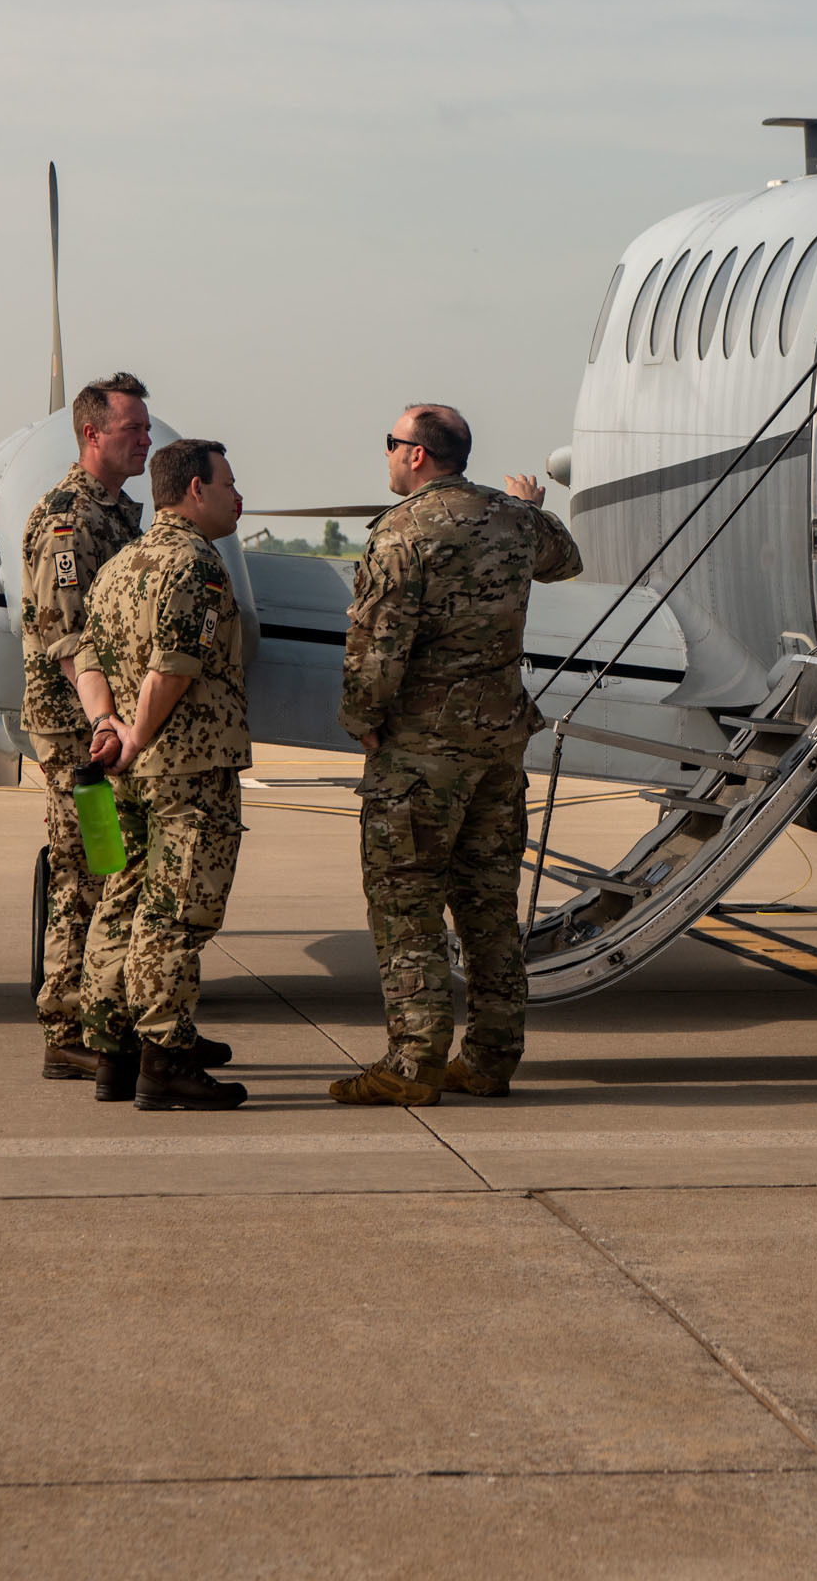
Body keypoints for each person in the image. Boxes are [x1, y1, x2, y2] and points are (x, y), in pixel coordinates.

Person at [329, 403, 580, 1107]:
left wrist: (362, 720)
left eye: (391, 443)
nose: (386, 454)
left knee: (406, 902)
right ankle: (492, 1058)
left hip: (422, 752)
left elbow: (378, 644)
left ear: (417, 455)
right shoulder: (514, 520)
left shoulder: (401, 532)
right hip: (498, 746)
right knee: (489, 907)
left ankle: (413, 1064)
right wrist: (531, 507)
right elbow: (568, 559)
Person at [73, 437, 254, 1111]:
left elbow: (85, 657)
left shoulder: (121, 564)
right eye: (230, 484)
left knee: (121, 898)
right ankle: (166, 1058)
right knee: (176, 912)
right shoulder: (197, 565)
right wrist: (141, 734)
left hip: (124, 772)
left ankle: (112, 1054)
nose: (241, 498)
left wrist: (107, 730)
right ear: (196, 490)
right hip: (189, 768)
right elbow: (174, 666)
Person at [21, 372, 151, 1086]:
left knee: (107, 871)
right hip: (81, 738)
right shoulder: (71, 521)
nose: (145, 438)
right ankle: (67, 1028)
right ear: (91, 434)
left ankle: (102, 1019)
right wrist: (104, 718)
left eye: (146, 427)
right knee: (86, 872)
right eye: (133, 428)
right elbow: (70, 639)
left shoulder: (118, 515)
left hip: (102, 729)